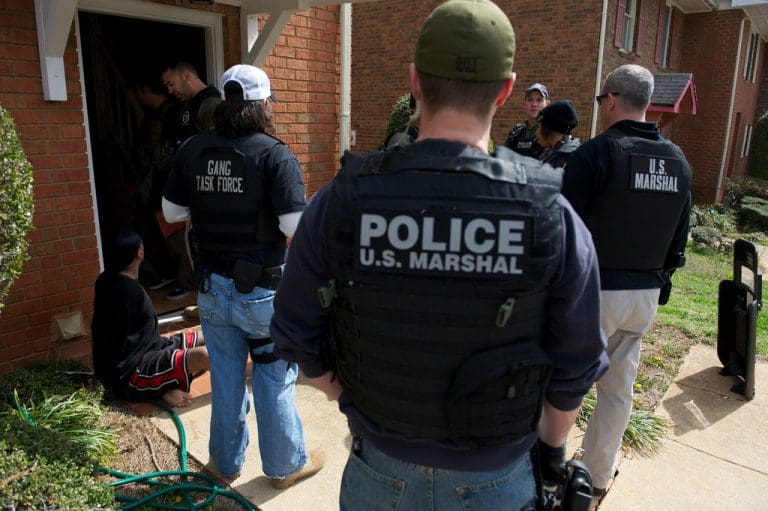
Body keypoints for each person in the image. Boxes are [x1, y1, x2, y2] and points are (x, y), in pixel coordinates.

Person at [270, 1, 609, 509]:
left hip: (377, 473)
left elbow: (293, 333)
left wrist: (352, 401)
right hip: (496, 478)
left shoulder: (343, 200)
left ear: (414, 81)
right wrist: (552, 446)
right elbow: (577, 364)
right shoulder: (548, 213)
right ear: (507, 88)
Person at [162, 64, 324, 487]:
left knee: (227, 376)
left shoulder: (193, 149)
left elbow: (172, 212)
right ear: (263, 105)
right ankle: (284, 467)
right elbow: (294, 229)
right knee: (274, 377)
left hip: (213, 291)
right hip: (263, 296)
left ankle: (225, 465)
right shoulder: (274, 154)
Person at [561, 64, 692, 509]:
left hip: (594, 292)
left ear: (612, 98)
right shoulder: (679, 162)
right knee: (618, 389)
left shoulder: (596, 154)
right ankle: (598, 476)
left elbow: (565, 229)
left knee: (566, 385)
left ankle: (548, 468)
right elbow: (680, 240)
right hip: (645, 295)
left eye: (601, 100)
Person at [91, 229, 209, 408]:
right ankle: (252, 372)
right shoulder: (129, 292)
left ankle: (166, 385)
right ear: (139, 253)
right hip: (132, 373)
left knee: (208, 335)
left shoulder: (105, 279)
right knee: (204, 356)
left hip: (150, 348)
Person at [160, 60, 223, 301]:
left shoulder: (210, 103)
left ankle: (209, 300)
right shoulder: (188, 106)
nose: (169, 90)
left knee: (203, 250)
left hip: (206, 195)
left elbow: (216, 148)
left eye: (171, 83)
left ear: (186, 75)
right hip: (192, 195)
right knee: (192, 245)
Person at [504, 82, 550, 158]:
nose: (534, 104)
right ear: (524, 104)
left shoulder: (551, 133)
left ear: (547, 104)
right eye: (530, 100)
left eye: (539, 100)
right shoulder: (515, 134)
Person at [536, 99, 581, 169]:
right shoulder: (549, 153)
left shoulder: (572, 159)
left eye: (541, 126)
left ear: (550, 129)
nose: (537, 132)